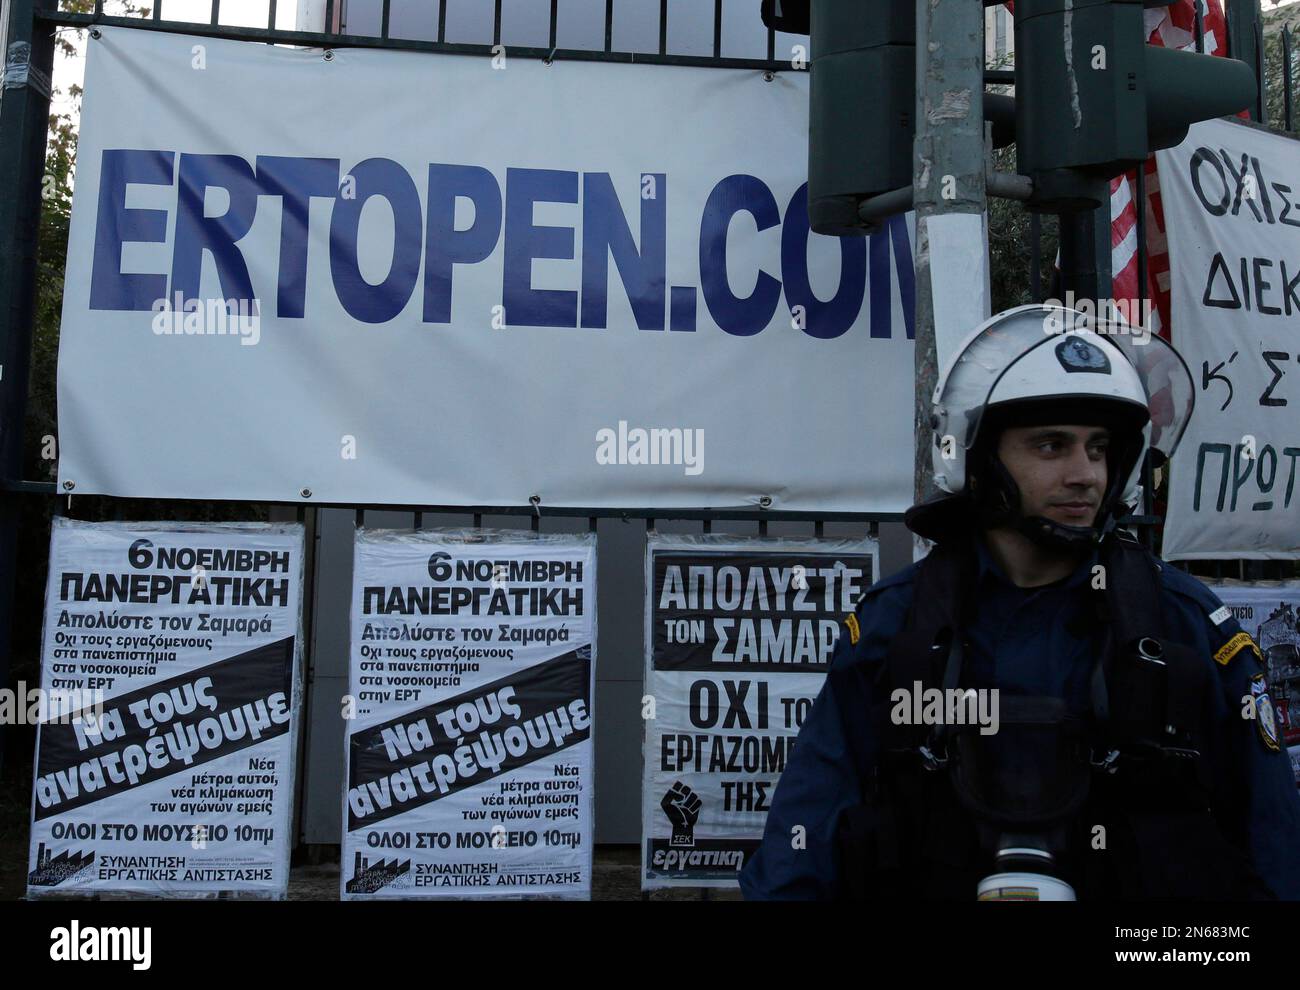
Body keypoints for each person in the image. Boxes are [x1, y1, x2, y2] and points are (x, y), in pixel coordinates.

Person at [739, 304, 1300, 900]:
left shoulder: (1185, 627)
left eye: (1099, 447)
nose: (1085, 474)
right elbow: (810, 819)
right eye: (1051, 446)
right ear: (979, 459)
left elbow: (1274, 844)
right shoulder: (898, 623)